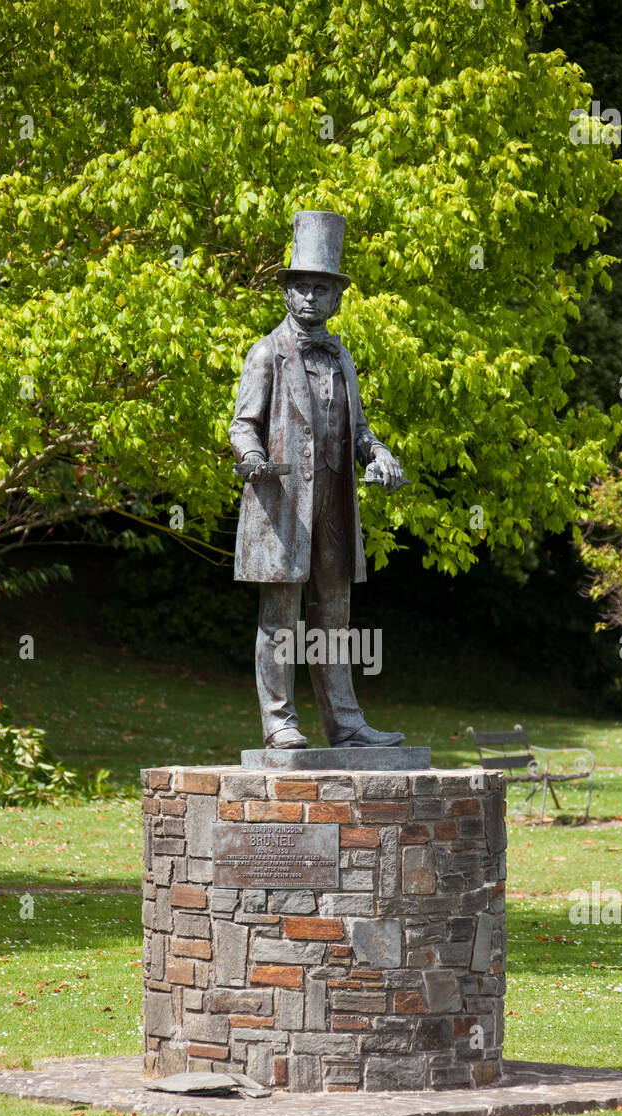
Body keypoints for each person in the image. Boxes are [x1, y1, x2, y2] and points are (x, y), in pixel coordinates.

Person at [229, 211, 406, 750]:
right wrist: (253, 456)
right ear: (288, 294)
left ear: (336, 300)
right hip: (282, 505)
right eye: (302, 287)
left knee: (334, 619)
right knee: (280, 618)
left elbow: (359, 430)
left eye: (321, 289)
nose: (310, 298)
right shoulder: (267, 354)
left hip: (335, 503)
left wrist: (378, 453)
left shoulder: (342, 358)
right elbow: (242, 425)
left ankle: (346, 725)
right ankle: (279, 720)